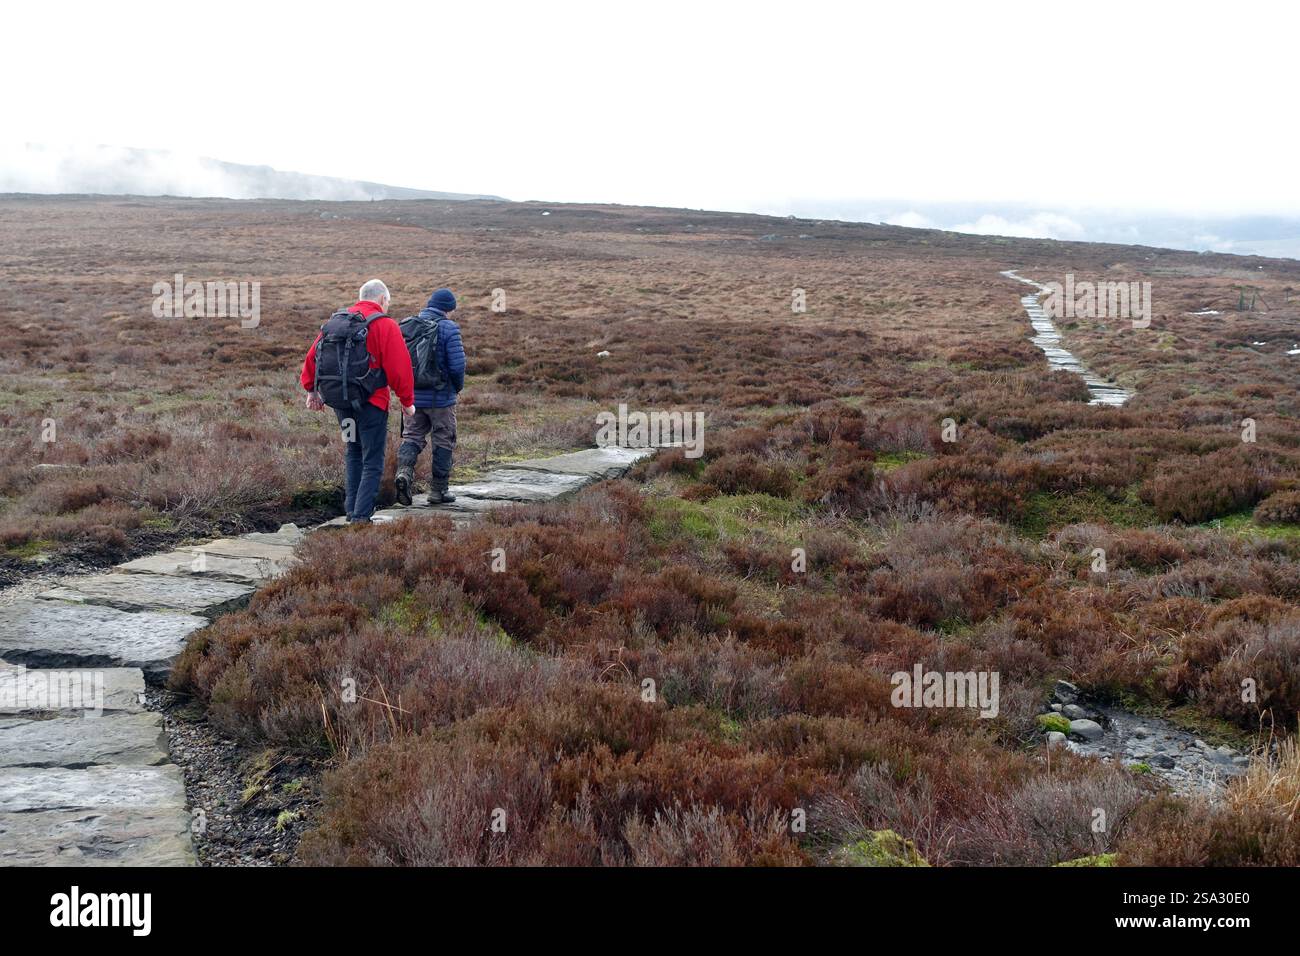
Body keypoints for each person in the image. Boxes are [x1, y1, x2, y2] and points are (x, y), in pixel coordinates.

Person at [301, 279, 414, 523]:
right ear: (382, 300)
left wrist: (311, 390)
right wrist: (407, 401)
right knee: (372, 459)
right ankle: (361, 517)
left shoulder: (336, 323)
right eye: (388, 303)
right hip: (372, 403)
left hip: (341, 403)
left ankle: (351, 509)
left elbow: (312, 357)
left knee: (353, 451)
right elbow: (400, 368)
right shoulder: (385, 325)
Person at [395, 288, 465, 505]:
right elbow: (457, 366)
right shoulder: (448, 329)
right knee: (444, 440)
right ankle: (438, 491)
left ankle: (404, 474)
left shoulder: (407, 325)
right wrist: (456, 388)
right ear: (448, 309)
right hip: (441, 398)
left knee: (412, 437)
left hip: (412, 398)